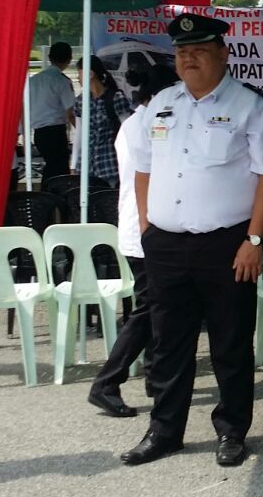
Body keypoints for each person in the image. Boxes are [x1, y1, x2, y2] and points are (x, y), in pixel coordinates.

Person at [118, 13, 263, 467]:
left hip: (227, 243)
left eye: (197, 50)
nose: (187, 59)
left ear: (222, 53)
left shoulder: (251, 105)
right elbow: (143, 170)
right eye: (181, 52)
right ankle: (164, 430)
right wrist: (149, 229)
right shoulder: (163, 104)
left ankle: (231, 431)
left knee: (230, 342)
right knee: (168, 342)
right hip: (167, 244)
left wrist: (254, 239)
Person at [87, 65, 179, 417]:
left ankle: (155, 377)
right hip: (148, 230)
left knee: (157, 307)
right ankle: (107, 382)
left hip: (138, 227)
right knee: (148, 310)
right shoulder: (152, 124)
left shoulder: (133, 122)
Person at [76, 55, 134, 184]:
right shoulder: (80, 101)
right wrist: (74, 164)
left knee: (108, 200)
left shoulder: (116, 97)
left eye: (79, 73)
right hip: (85, 166)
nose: (77, 77)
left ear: (90, 74)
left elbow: (128, 132)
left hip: (110, 164)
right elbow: (79, 135)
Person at [28, 41, 77, 180]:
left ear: (49, 58)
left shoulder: (34, 80)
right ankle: (51, 198)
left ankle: (47, 197)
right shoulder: (62, 81)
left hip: (39, 134)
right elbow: (71, 113)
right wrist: (82, 134)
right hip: (55, 133)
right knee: (59, 171)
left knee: (51, 167)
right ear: (69, 60)